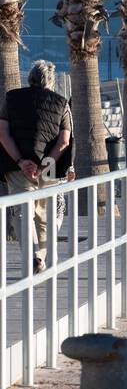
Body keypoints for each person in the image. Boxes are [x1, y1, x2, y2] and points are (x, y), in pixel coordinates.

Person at [0, 60, 73, 273]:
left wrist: (22, 162)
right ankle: (41, 257)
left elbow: (2, 133)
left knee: (22, 212)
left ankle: (33, 257)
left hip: (17, 167)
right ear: (50, 81)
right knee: (45, 216)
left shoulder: (11, 98)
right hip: (49, 167)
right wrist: (43, 167)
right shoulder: (61, 103)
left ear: (30, 77)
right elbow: (64, 142)